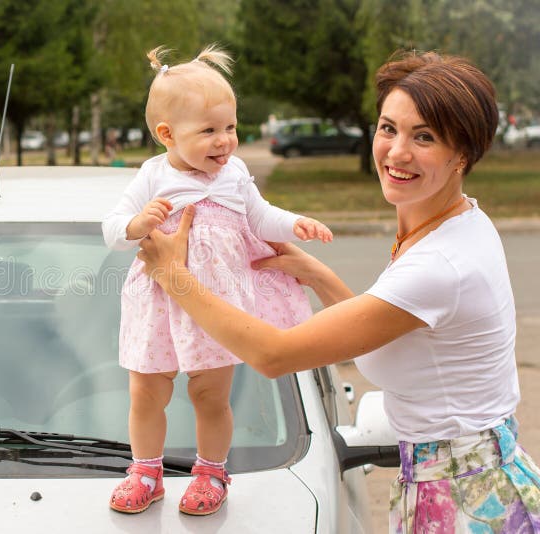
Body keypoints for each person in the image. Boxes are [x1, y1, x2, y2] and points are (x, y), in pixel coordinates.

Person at [137, 50, 540, 532]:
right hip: (467, 479)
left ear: (463, 155)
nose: (397, 152)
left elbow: (273, 355)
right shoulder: (455, 223)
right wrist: (317, 274)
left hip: (467, 500)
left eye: (425, 137)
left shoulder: (441, 264)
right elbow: (379, 343)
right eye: (388, 128)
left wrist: (175, 278)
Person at [102, 44, 333, 516]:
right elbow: (112, 231)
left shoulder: (235, 174)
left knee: (210, 394)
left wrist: (295, 225)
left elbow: (260, 217)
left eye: (230, 127)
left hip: (217, 307)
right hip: (161, 303)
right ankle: (146, 471)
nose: (225, 140)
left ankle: (211, 472)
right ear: (167, 134)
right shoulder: (151, 176)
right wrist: (138, 224)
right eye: (208, 130)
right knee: (147, 391)